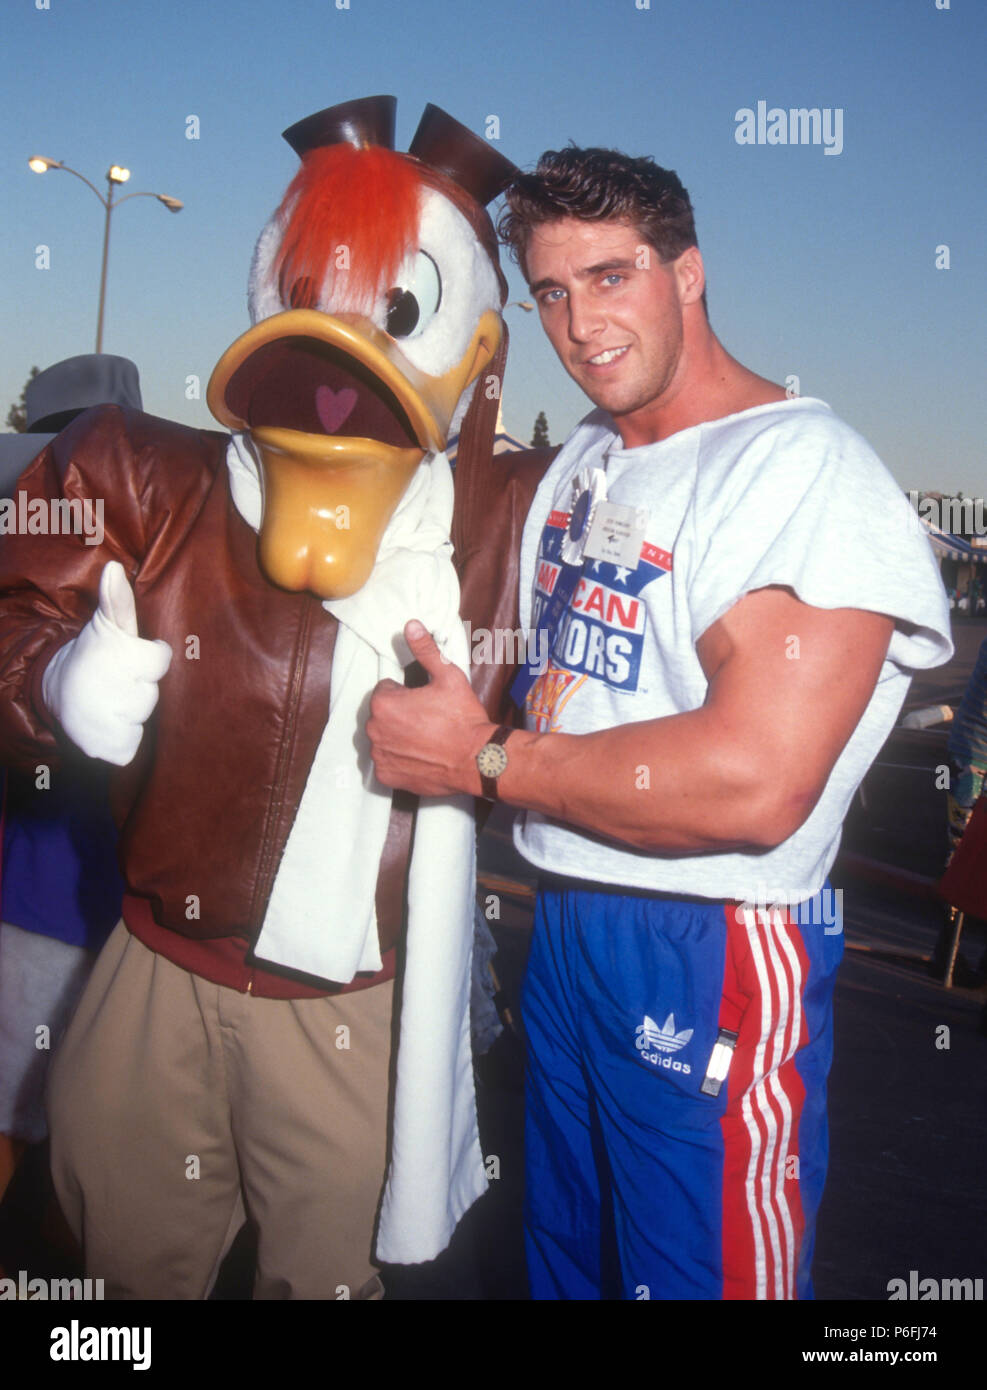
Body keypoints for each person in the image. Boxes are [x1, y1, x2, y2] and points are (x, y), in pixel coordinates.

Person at [366, 145, 953, 1299]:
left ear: (688, 273)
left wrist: (483, 760)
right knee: (569, 1264)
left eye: (612, 276)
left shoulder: (802, 469)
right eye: (551, 290)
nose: (581, 325)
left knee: (699, 1275)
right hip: (571, 911)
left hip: (713, 938)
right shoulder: (588, 453)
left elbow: (754, 782)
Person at [0, 97, 540, 1299]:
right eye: (311, 287)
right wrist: (51, 681)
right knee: (122, 1273)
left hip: (353, 1009)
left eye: (394, 308)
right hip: (158, 969)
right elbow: (15, 615)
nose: (341, 355)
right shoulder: (144, 476)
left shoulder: (516, 518)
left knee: (331, 1277)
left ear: (480, 352)